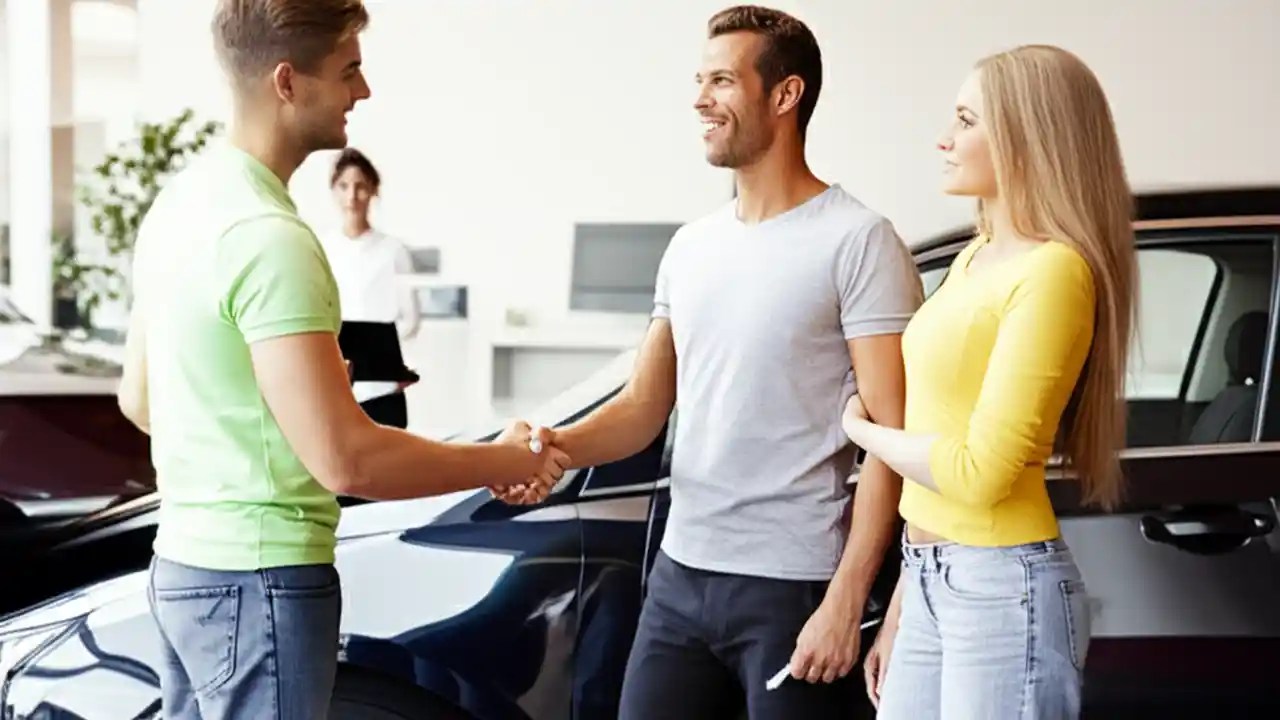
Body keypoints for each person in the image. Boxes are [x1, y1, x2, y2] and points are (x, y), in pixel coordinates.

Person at [114, 1, 567, 718]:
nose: (364, 91)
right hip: (260, 579)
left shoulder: (178, 207)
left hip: (182, 568)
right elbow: (347, 461)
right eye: (349, 70)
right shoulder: (271, 237)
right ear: (287, 83)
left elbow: (140, 401)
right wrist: (505, 459)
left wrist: (282, 401)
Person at [496, 6, 923, 718]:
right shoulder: (690, 247)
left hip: (794, 587)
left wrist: (847, 600)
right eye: (700, 80)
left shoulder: (860, 241)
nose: (700, 99)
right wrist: (551, 449)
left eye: (722, 81)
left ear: (784, 96)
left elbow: (892, 438)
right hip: (680, 580)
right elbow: (643, 405)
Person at [842, 44, 1136, 719]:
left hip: (1003, 591)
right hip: (931, 579)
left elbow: (979, 474)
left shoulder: (1055, 272)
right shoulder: (976, 257)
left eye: (967, 121)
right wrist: (903, 609)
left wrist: (865, 432)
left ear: (1026, 138)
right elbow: (944, 428)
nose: (944, 139)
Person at [321, 147, 420, 428]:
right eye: (344, 186)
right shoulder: (323, 248)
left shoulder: (393, 251)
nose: (352, 196)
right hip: (335, 386)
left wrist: (390, 362)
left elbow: (410, 320)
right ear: (334, 191)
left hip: (382, 389)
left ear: (373, 190)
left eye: (360, 187)